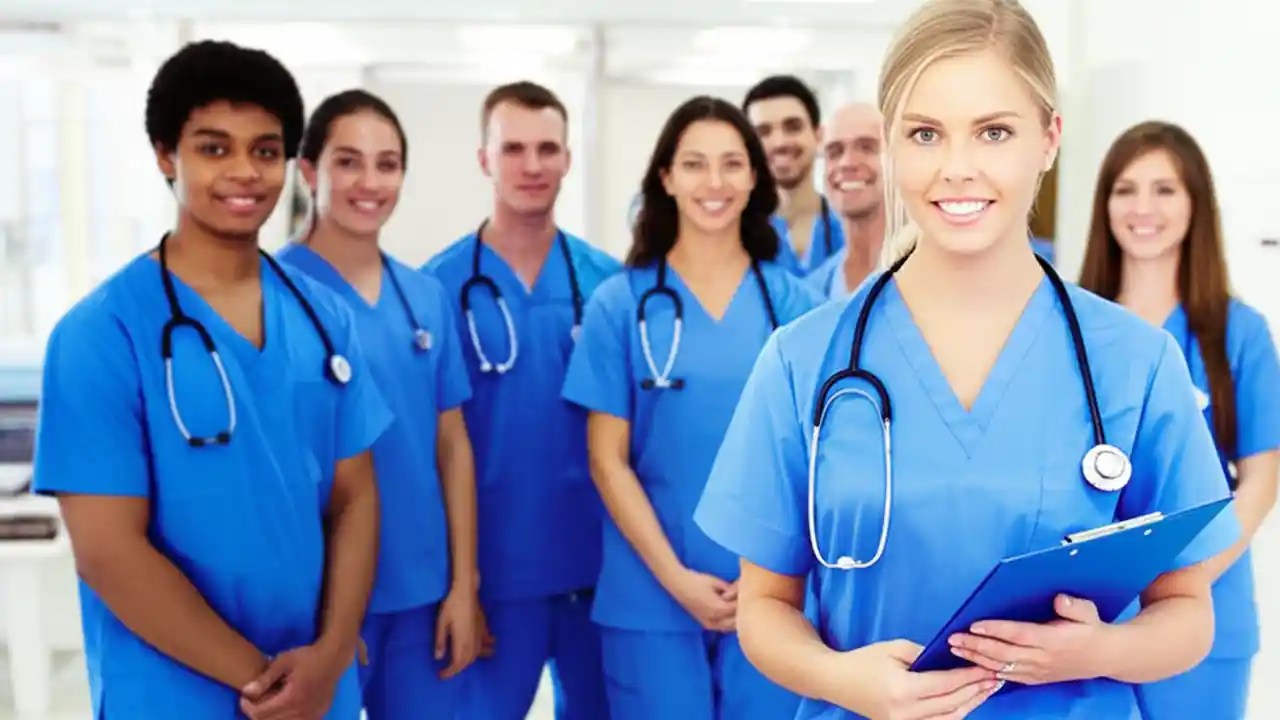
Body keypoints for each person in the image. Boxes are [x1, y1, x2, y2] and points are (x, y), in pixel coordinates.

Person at [691, 1, 1243, 718]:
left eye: (994, 132)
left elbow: (1189, 615)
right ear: (891, 144)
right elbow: (765, 608)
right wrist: (842, 679)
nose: (957, 169)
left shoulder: (1136, 361)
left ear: (1049, 138)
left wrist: (1097, 651)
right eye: (925, 133)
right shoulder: (803, 360)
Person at [31, 40, 391, 719]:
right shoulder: (101, 334)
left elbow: (355, 497)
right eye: (214, 148)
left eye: (265, 150)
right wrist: (268, 684)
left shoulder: (325, 320)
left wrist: (334, 650)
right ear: (166, 155)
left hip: (317, 684)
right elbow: (108, 552)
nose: (244, 172)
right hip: (176, 694)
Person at [561, 94, 820, 720]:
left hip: (774, 592)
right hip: (649, 593)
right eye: (695, 164)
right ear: (666, 178)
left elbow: (815, 458)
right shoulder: (619, 305)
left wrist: (765, 581)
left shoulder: (794, 305)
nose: (714, 182)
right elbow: (607, 460)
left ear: (754, 177)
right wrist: (676, 579)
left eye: (732, 164)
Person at [277, 89, 486, 719]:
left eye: (387, 164)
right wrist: (330, 617)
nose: (370, 182)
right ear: (308, 171)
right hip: (316, 603)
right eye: (348, 162)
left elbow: (451, 444)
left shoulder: (424, 297)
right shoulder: (273, 295)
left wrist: (463, 585)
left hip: (423, 593)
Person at [422, 80, 618, 720]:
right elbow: (433, 449)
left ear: (568, 159)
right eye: (513, 149)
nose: (532, 165)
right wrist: (459, 583)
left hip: (596, 569)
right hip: (493, 574)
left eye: (547, 149)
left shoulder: (608, 284)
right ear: (484, 159)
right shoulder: (437, 288)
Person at [1078, 120, 1280, 720]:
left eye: (1164, 189)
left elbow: (1261, 480)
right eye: (1125, 189)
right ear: (1104, 206)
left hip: (1207, 615)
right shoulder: (1071, 326)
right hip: (1087, 620)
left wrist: (1182, 584)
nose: (1143, 208)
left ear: (1196, 204)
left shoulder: (1239, 333)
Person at [743, 75, 845, 276]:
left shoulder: (848, 228)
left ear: (818, 136)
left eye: (793, 127)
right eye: (763, 132)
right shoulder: (735, 237)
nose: (779, 142)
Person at [805, 102, 887, 302]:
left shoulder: (938, 273)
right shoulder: (812, 293)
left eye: (867, 148)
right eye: (834, 152)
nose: (847, 163)